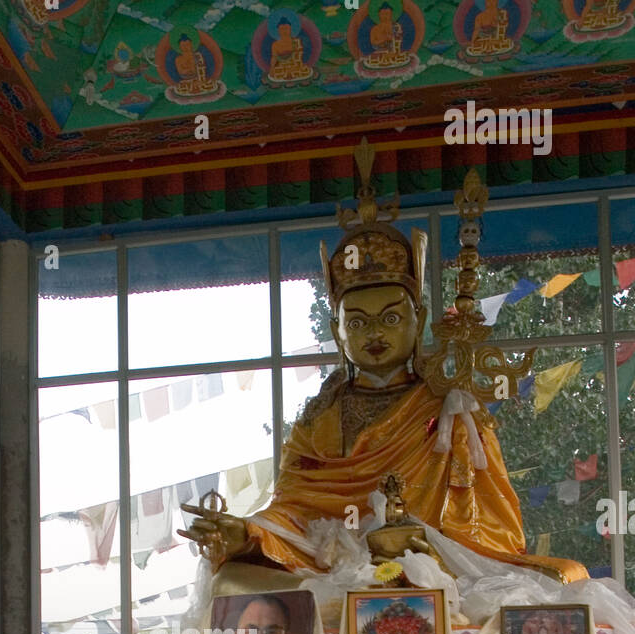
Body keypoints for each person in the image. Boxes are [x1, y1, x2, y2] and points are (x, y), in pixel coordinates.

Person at [180, 145, 586, 585]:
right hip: (332, 567)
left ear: (421, 322)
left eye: (391, 318)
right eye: (357, 322)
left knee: (550, 580)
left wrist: (416, 544)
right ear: (337, 333)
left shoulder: (449, 408)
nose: (375, 333)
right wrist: (247, 533)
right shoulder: (320, 419)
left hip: (433, 567)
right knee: (233, 580)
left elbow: (489, 529)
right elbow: (293, 514)